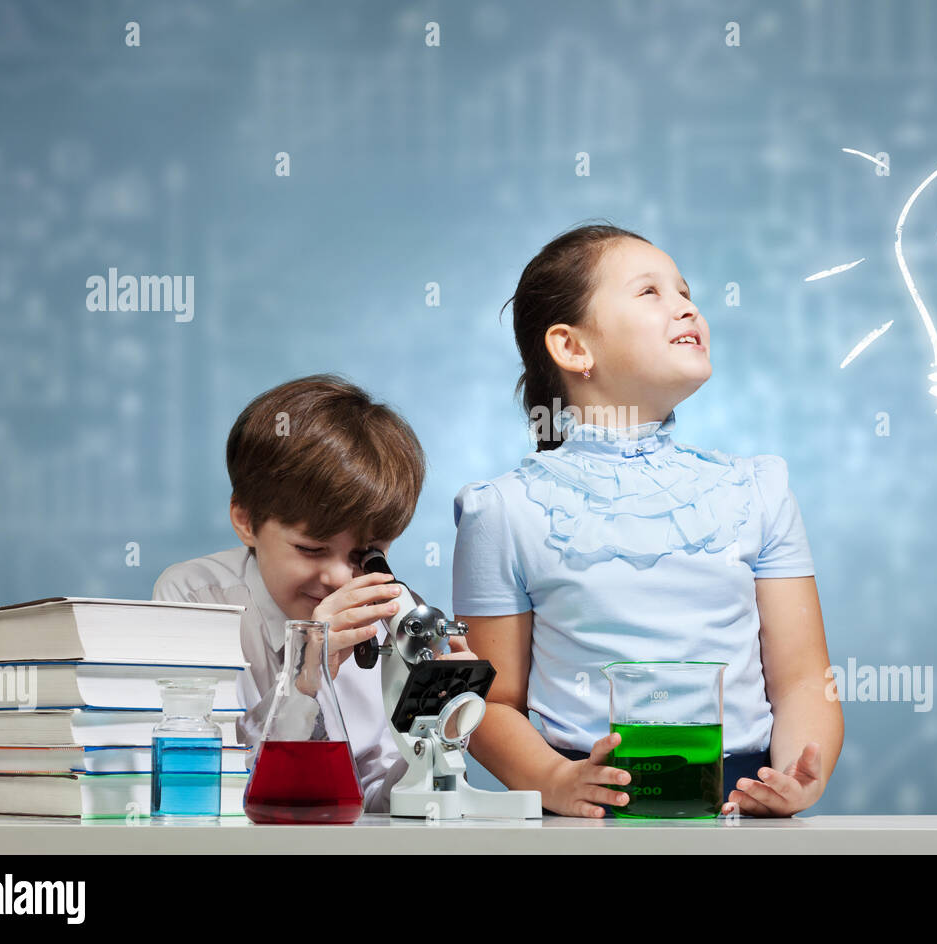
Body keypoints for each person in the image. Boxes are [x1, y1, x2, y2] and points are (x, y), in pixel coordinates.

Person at [453, 223, 843, 817]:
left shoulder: (757, 491)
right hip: (588, 810)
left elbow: (802, 680)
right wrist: (555, 781)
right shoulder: (503, 509)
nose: (686, 307)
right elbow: (493, 700)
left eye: (687, 293)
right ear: (573, 348)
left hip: (739, 807)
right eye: (650, 293)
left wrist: (795, 778)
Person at [153, 374, 470, 813]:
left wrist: (434, 732)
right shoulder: (195, 597)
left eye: (367, 556)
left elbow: (376, 800)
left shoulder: (390, 616)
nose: (341, 579)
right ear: (246, 520)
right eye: (311, 549)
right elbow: (210, 789)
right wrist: (307, 675)